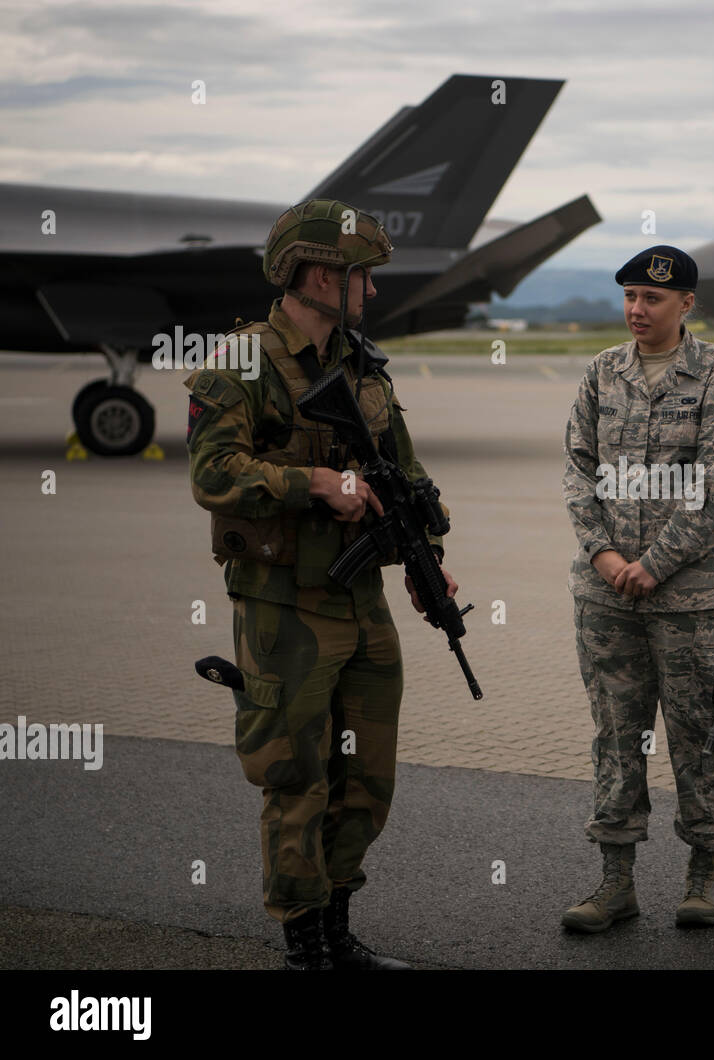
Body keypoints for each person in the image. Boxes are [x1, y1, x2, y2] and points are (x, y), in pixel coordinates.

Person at [185, 199, 456, 970]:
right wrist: (313, 483)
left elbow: (405, 472)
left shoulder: (361, 363)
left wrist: (426, 556)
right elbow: (212, 474)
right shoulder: (240, 361)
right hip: (284, 603)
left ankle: (340, 928)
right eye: (357, 277)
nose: (368, 292)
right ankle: (304, 943)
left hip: (362, 600)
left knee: (366, 777)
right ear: (313, 274)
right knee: (295, 776)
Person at [561, 245, 714, 932]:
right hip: (607, 598)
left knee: (699, 737)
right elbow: (578, 472)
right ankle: (615, 882)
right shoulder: (602, 372)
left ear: (686, 304)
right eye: (630, 297)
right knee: (616, 735)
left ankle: (705, 873)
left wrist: (655, 563)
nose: (638, 310)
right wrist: (606, 555)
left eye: (653, 299)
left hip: (693, 601)